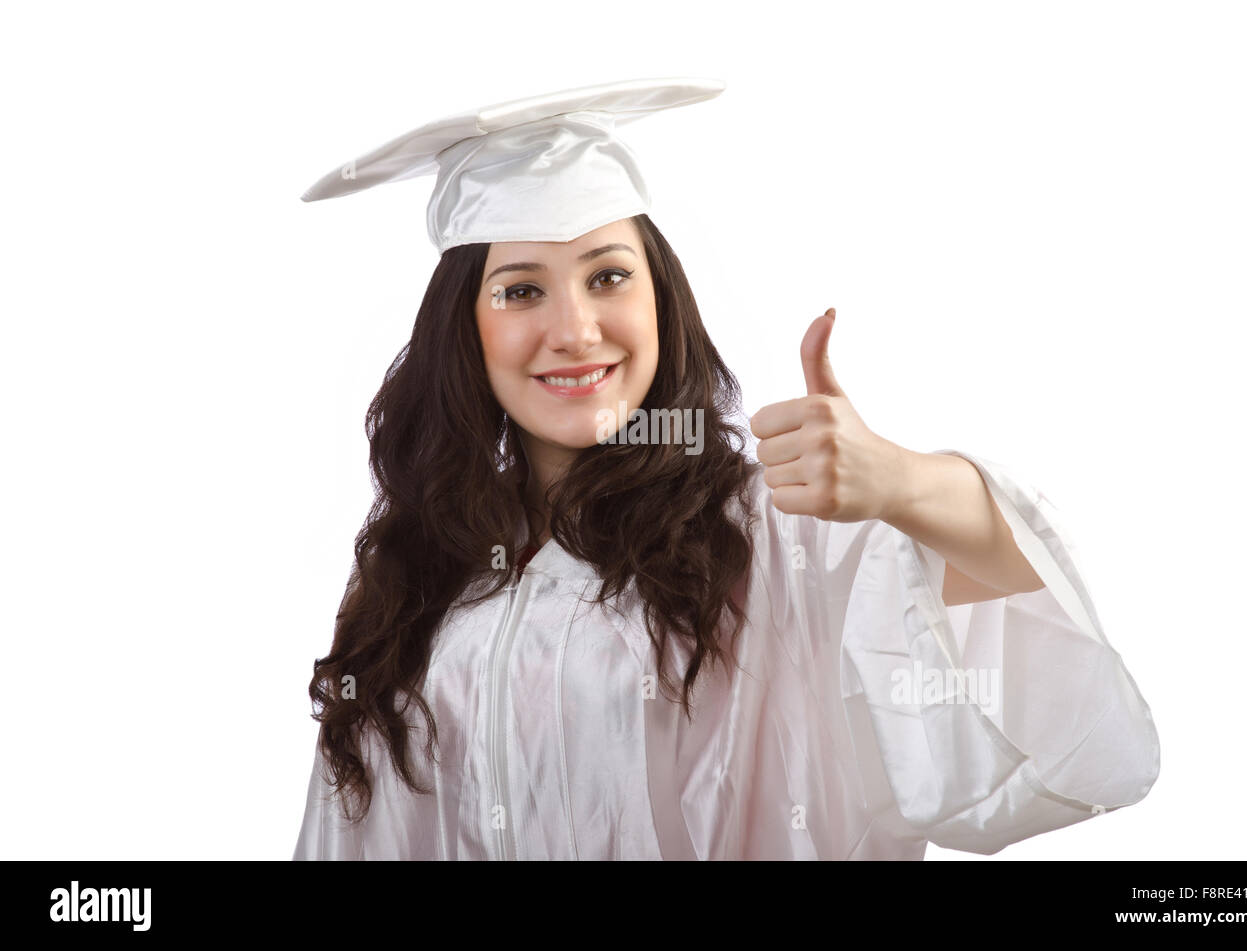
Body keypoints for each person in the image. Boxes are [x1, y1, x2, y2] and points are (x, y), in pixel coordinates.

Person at [291, 78, 1160, 860]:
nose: (576, 330)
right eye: (521, 289)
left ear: (660, 300)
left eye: (608, 277)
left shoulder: (771, 535)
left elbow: (1033, 713)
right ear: (463, 329)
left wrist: (903, 486)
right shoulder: (417, 571)